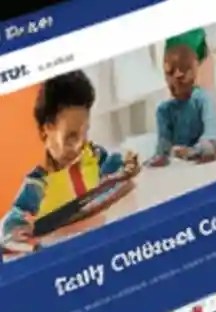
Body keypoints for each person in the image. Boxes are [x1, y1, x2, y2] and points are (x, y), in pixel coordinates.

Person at [1, 71, 139, 260]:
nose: (79, 145)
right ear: (45, 131)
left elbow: (113, 169)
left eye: (85, 132)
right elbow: (13, 225)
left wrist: (126, 167)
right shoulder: (38, 184)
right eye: (71, 136)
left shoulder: (92, 155)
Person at [150, 43, 216, 166]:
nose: (175, 80)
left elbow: (211, 138)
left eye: (181, 73)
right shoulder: (164, 110)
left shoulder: (203, 100)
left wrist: (193, 151)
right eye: (169, 73)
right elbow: (163, 149)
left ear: (194, 71)